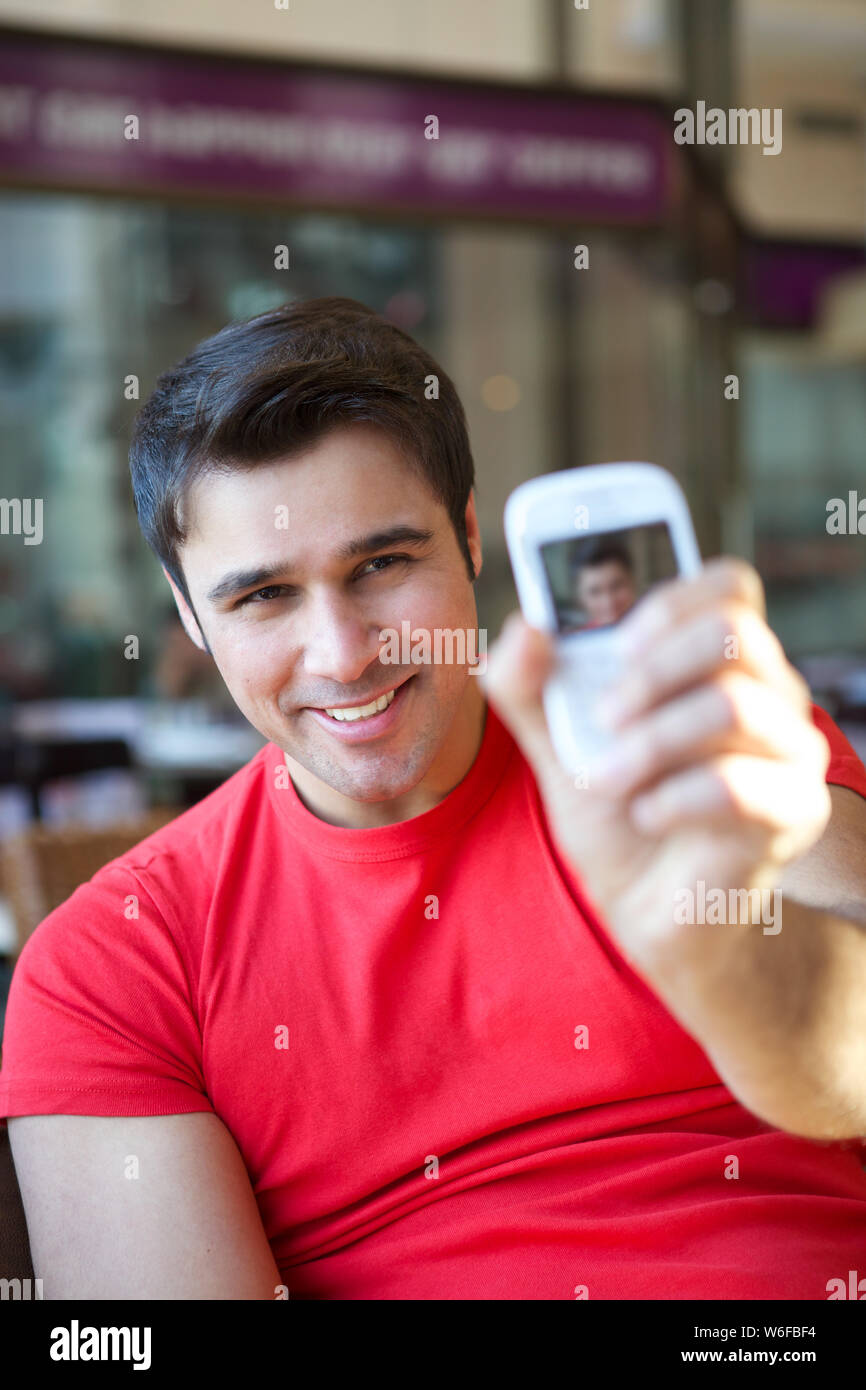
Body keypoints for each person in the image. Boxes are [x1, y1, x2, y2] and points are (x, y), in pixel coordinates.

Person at [2, 297, 866, 1301]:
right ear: (188, 613)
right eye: (263, 596)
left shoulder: (695, 748)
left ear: (465, 538)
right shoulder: (115, 962)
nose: (342, 651)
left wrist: (715, 949)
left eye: (381, 562)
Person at [565, 536, 638, 630]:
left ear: (632, 581)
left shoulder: (658, 629)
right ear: (580, 598)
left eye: (616, 586)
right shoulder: (576, 642)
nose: (608, 602)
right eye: (595, 592)